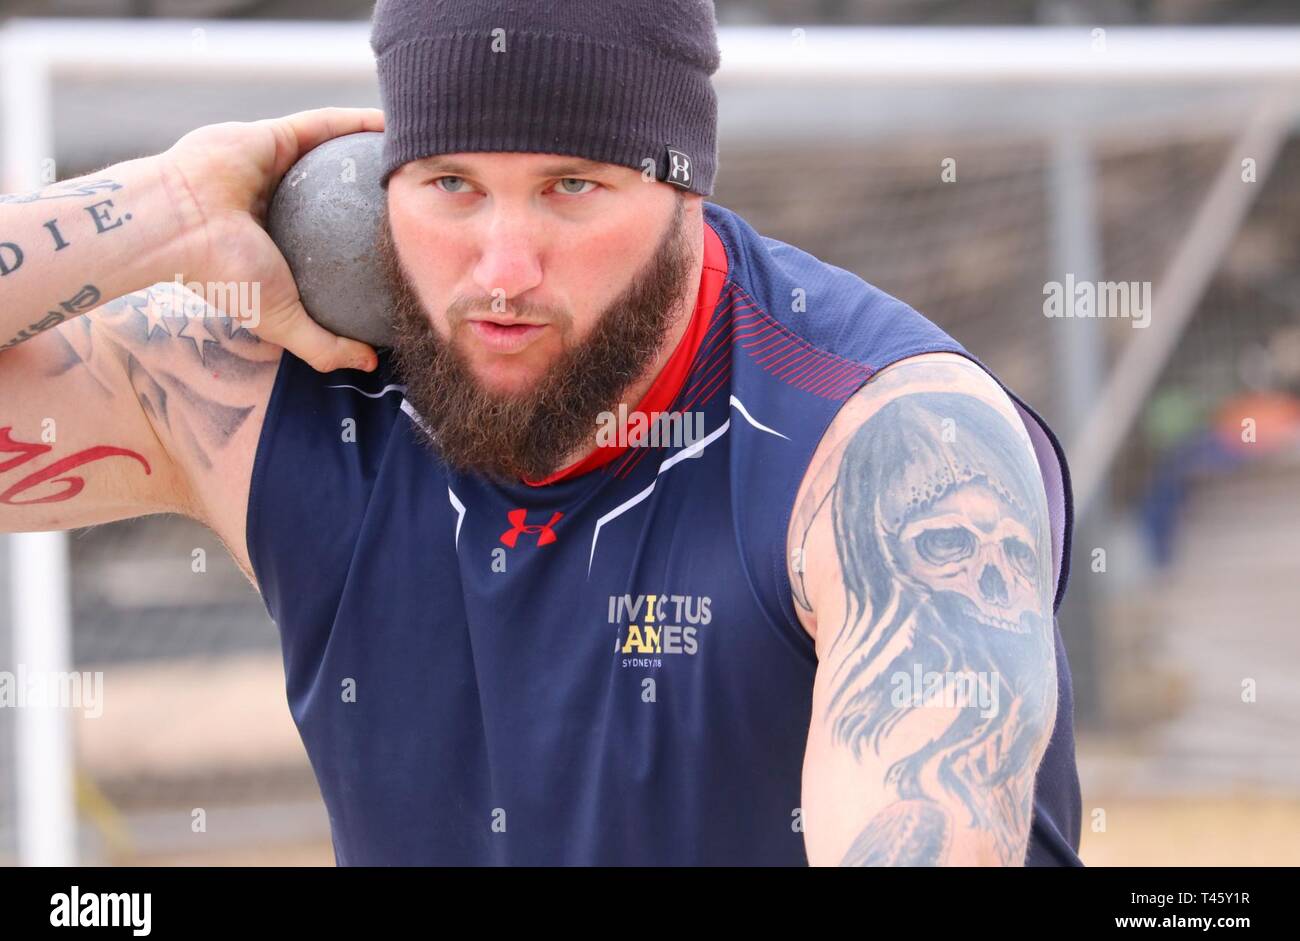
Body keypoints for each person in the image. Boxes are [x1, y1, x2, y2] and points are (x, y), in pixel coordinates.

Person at [0, 0, 1082, 865]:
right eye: (451, 186)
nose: (502, 272)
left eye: (572, 187)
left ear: (684, 191)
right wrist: (164, 209)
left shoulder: (889, 453)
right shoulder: (284, 388)